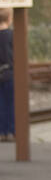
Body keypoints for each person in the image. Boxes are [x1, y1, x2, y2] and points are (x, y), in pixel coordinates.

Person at [0, 9, 14, 141]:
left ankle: (1, 132)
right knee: (11, 103)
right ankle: (11, 132)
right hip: (10, 73)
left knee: (1, 104)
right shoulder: (12, 35)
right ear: (9, 19)